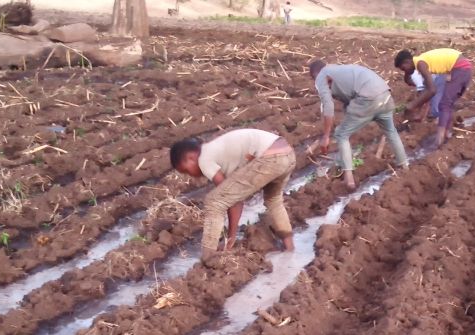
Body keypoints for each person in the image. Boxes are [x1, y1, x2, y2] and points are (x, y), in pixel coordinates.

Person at [170, 130, 295, 260]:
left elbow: (227, 200)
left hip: (270, 158)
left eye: (186, 170)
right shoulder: (218, 151)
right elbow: (235, 200)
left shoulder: (204, 159)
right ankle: (289, 248)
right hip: (287, 153)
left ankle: (208, 256)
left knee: (213, 201)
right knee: (273, 200)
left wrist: (230, 239)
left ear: (190, 158)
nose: (191, 175)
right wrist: (231, 238)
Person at [310, 60, 409, 189]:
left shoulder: (321, 76)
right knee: (391, 131)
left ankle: (349, 181)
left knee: (341, 134)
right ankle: (405, 166)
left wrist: (326, 136)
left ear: (314, 75)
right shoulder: (338, 69)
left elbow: (328, 107)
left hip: (368, 99)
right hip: (385, 94)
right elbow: (348, 96)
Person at [395, 48, 474, 146]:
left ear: (407, 61)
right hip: (462, 68)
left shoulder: (420, 64)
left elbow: (432, 90)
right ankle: (446, 134)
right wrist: (407, 74)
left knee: (444, 105)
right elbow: (416, 84)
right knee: (446, 105)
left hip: (460, 68)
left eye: (403, 68)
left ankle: (439, 140)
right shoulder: (418, 62)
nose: (404, 71)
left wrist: (412, 105)